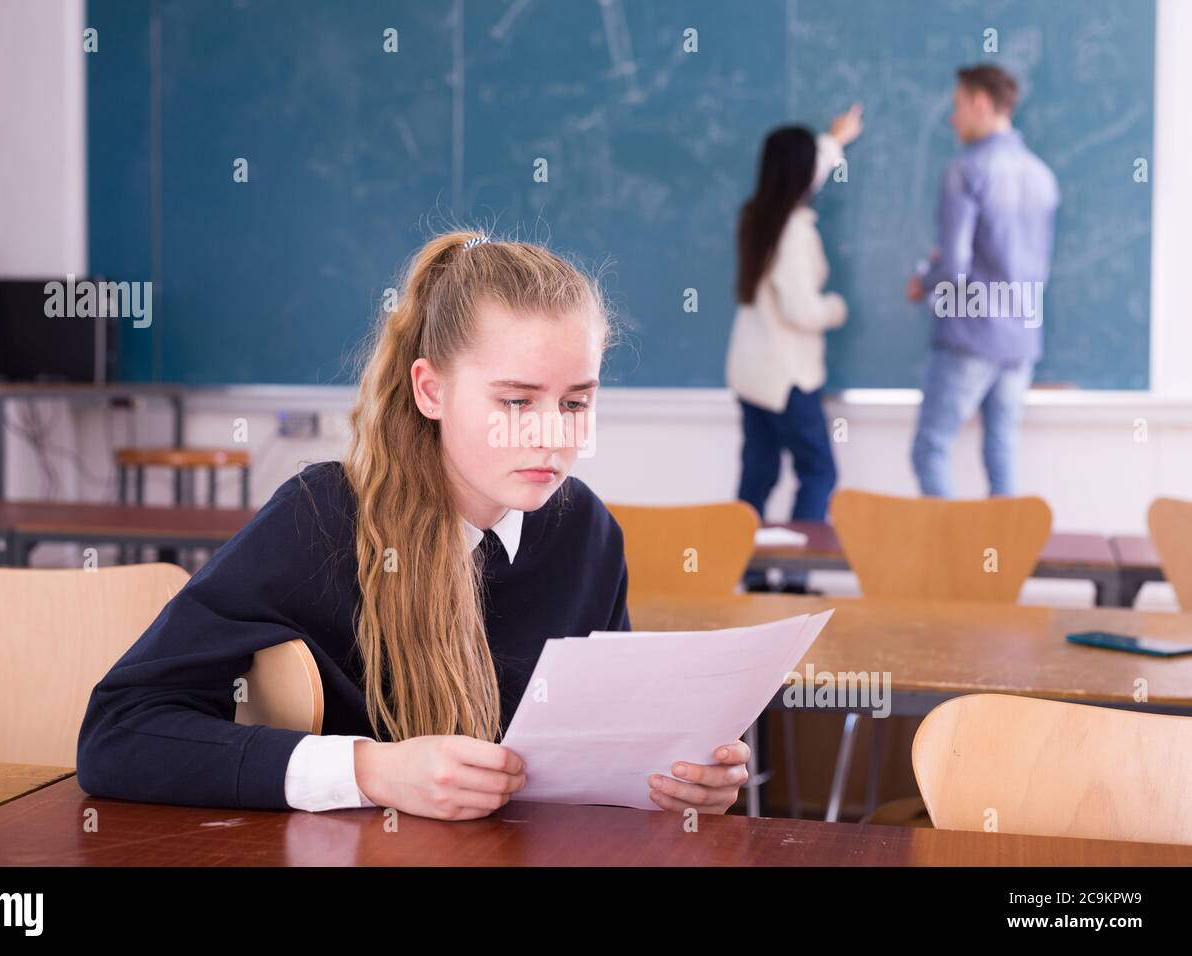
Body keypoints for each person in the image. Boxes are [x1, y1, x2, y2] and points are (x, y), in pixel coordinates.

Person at [78, 231, 751, 819]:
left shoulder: (586, 535)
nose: (553, 435)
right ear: (431, 390)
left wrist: (674, 782)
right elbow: (120, 735)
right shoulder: (324, 519)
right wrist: (373, 772)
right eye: (516, 401)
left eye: (577, 402)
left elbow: (600, 750)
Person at [726, 105, 862, 589]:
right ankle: (798, 578)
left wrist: (833, 142)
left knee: (758, 473)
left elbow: (807, 173)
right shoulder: (795, 233)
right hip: (788, 377)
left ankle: (750, 573)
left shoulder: (758, 218)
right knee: (818, 471)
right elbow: (803, 311)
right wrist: (838, 308)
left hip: (751, 373)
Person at [908, 64, 1059, 497]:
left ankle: (954, 563)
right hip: (1021, 337)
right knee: (1001, 453)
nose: (953, 118)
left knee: (930, 450)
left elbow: (953, 268)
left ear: (979, 102)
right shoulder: (1042, 176)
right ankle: (1002, 563)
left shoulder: (965, 171)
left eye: (957, 106)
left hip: (970, 333)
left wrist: (924, 279)